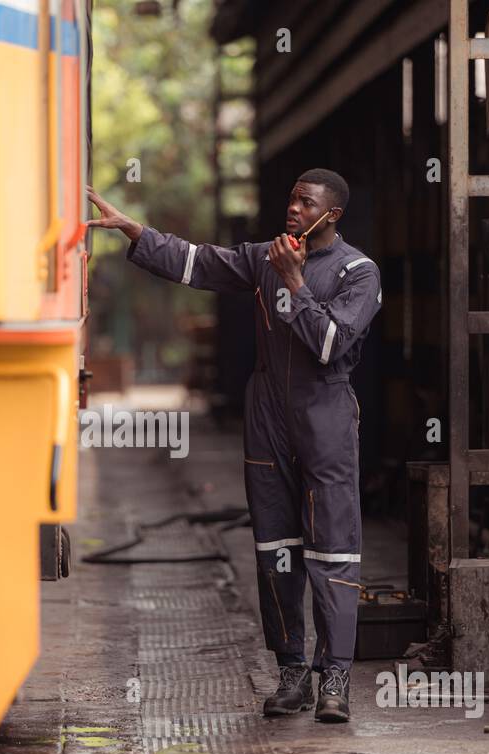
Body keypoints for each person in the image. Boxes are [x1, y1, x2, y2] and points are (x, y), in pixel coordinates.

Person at [86, 169, 381, 724]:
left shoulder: (357, 273)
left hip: (326, 418)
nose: (293, 208)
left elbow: (331, 345)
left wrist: (295, 283)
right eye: (292, 197)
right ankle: (291, 672)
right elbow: (199, 262)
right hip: (267, 414)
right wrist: (134, 232)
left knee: (334, 549)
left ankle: (335, 678)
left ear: (332, 214)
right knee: (276, 549)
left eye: (306, 201)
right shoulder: (266, 259)